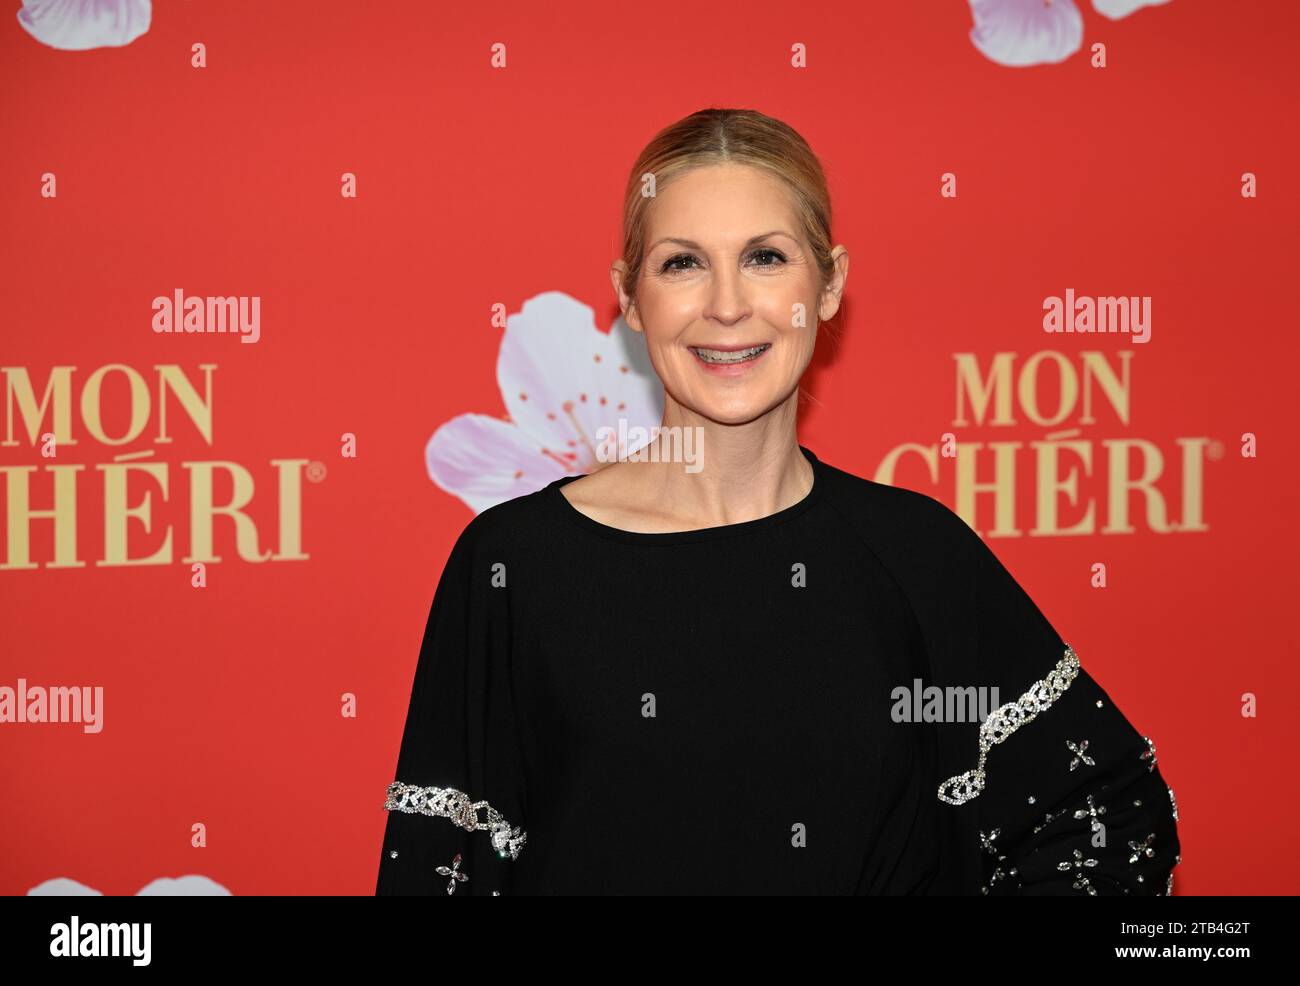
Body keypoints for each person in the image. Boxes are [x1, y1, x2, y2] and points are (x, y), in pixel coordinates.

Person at [375, 108, 1181, 895]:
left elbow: (1109, 816)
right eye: (682, 263)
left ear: (829, 285)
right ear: (629, 297)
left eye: (765, 257)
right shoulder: (516, 567)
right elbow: (441, 871)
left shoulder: (917, 554)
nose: (727, 305)